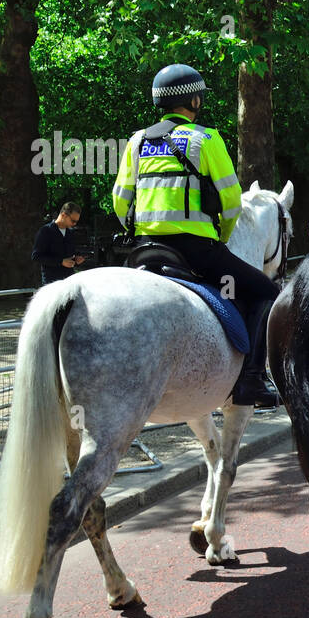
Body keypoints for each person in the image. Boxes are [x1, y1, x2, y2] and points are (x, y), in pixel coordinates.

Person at [113, 63, 280, 406]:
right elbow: (232, 202)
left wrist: (134, 230)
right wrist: (222, 236)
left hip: (145, 250)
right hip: (196, 252)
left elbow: (119, 200)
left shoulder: (137, 141)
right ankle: (250, 379)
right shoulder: (206, 139)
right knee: (266, 291)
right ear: (194, 101)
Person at [32, 202, 85, 285]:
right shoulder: (46, 231)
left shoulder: (70, 233)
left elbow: (71, 253)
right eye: (73, 221)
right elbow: (36, 256)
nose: (75, 224)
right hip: (52, 282)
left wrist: (77, 258)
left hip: (69, 280)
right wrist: (60, 262)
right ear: (63, 215)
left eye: (76, 221)